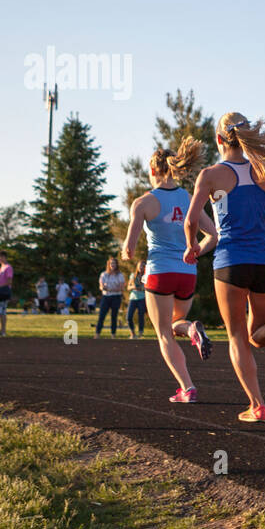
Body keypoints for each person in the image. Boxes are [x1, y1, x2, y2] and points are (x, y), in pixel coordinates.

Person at [187, 112, 265, 423]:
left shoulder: (211, 175)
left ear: (218, 140)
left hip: (230, 261)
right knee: (259, 334)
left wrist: (191, 246)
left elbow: (190, 220)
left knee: (239, 337)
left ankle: (257, 405)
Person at [124, 138, 220, 402]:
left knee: (164, 333)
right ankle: (191, 330)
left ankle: (187, 388)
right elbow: (213, 235)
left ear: (153, 171)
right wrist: (194, 250)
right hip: (187, 272)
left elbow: (129, 249)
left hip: (159, 271)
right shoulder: (189, 198)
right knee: (176, 323)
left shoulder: (143, 203)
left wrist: (126, 253)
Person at [95, 256, 127, 338]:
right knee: (102, 315)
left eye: (114, 263)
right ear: (108, 265)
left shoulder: (120, 275)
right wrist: (110, 288)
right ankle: (97, 334)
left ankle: (113, 334)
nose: (112, 265)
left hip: (116, 297)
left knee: (114, 316)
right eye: (111, 263)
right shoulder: (104, 274)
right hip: (106, 297)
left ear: (117, 265)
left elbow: (121, 287)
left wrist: (109, 288)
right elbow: (101, 286)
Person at [126, 267, 147, 338]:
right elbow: (128, 287)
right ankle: (132, 333)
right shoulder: (133, 275)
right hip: (133, 298)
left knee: (141, 316)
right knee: (128, 317)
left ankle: (140, 334)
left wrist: (142, 288)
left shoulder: (146, 275)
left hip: (142, 298)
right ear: (137, 267)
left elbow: (146, 287)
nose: (141, 267)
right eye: (140, 266)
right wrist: (133, 287)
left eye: (143, 266)